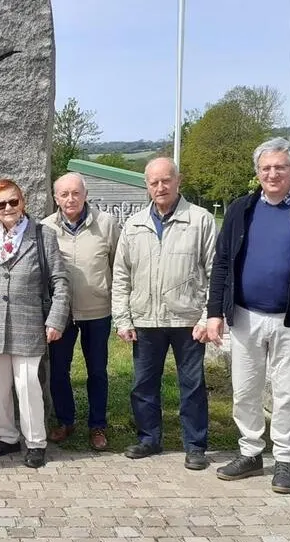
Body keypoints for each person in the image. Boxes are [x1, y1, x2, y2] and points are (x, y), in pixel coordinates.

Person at [206, 137, 290, 494]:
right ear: (257, 172)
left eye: (280, 166)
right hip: (246, 316)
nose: (273, 173)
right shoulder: (241, 209)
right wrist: (214, 312)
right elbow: (222, 263)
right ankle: (250, 452)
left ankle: (285, 460)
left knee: (286, 393)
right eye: (266, 167)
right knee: (245, 391)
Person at [111, 157, 216, 470]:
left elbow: (216, 273)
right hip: (145, 319)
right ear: (147, 185)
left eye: (166, 180)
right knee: (143, 384)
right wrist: (123, 319)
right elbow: (121, 276)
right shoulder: (133, 225)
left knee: (193, 385)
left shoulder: (200, 220)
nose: (160, 187)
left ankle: (195, 446)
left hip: (188, 321)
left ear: (178, 180)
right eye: (154, 182)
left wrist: (207, 317)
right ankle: (149, 439)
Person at [0, 179, 70, 469]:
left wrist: (56, 319)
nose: (8, 208)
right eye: (1, 204)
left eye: (14, 201)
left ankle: (35, 441)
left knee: (27, 385)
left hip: (30, 323)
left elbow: (60, 281)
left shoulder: (42, 235)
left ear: (22, 202)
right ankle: (7, 437)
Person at [41, 172, 120, 451]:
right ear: (56, 198)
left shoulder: (106, 225)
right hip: (61, 313)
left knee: (97, 370)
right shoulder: (46, 227)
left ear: (85, 194)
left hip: (97, 310)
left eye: (76, 193)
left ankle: (97, 425)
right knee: (59, 371)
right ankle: (65, 420)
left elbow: (117, 267)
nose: (70, 199)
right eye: (64, 194)